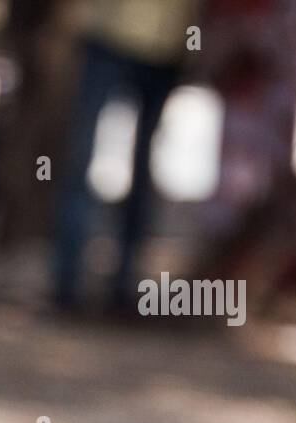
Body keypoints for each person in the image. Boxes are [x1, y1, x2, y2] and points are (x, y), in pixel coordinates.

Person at [52, 0, 197, 317]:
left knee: (143, 169)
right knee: (82, 160)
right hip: (106, 36)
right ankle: (66, 285)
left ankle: (124, 288)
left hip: (167, 45)